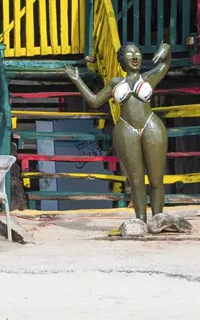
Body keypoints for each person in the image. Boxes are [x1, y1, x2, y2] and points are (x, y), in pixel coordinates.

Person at [65, 42, 170, 221]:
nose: (135, 56)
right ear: (122, 60)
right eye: (130, 54)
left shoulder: (148, 77)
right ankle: (141, 220)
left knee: (156, 180)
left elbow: (165, 64)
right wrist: (78, 81)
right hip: (126, 129)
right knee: (136, 181)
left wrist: (165, 49)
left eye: (137, 53)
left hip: (151, 125)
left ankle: (158, 219)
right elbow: (95, 102)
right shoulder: (115, 82)